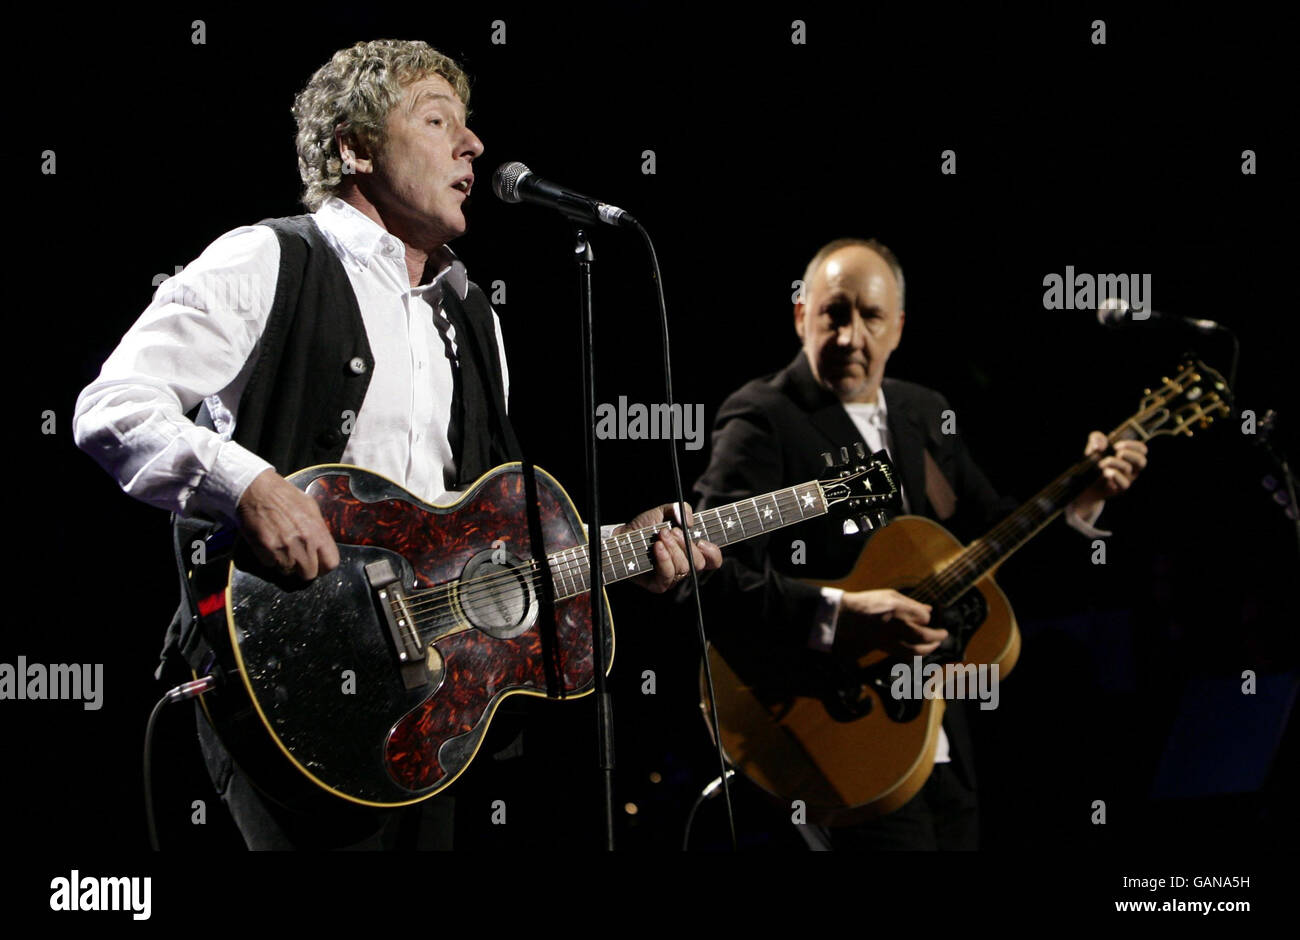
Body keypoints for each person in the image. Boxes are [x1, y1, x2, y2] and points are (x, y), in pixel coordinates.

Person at [72, 39, 719, 850]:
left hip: (421, 716)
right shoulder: (269, 258)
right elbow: (111, 405)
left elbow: (473, 540)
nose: (473, 145)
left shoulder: (473, 315)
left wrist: (618, 546)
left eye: (469, 125)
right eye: (438, 119)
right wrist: (246, 484)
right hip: (280, 694)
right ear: (353, 146)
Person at [690, 237, 1147, 850]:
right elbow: (712, 574)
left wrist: (1082, 499)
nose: (852, 337)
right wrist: (841, 614)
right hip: (832, 728)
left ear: (898, 327)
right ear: (802, 315)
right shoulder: (763, 417)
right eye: (834, 313)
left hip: (938, 732)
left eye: (871, 316)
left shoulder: (924, 412)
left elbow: (992, 542)